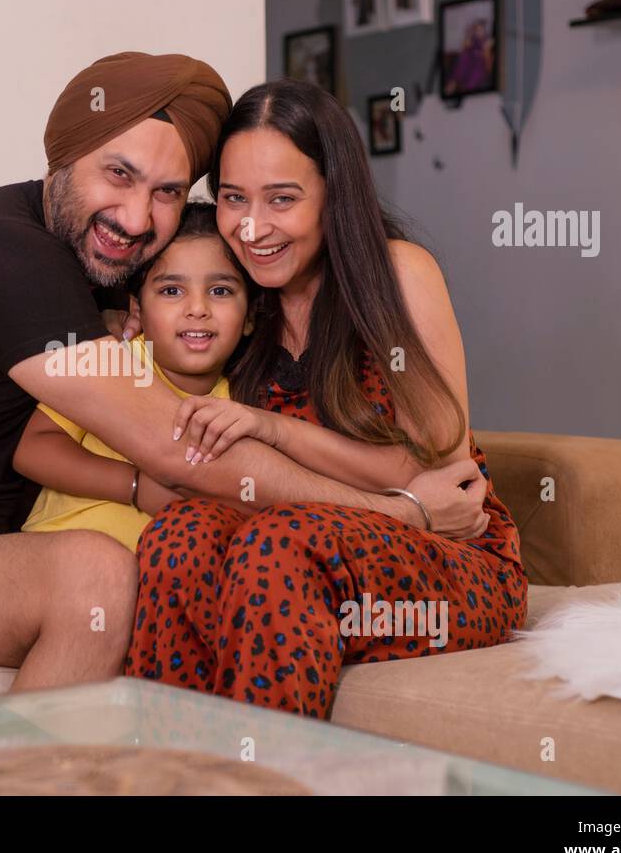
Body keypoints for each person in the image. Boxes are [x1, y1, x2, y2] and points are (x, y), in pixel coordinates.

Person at [0, 52, 484, 761]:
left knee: (104, 577)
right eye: (119, 175)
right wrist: (401, 513)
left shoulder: (108, 289)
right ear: (61, 156)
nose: (138, 219)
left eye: (169, 193)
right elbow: (178, 445)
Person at [122, 78, 527, 718]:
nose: (253, 227)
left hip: (451, 560)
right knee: (181, 536)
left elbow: (439, 469)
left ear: (333, 197)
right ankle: (175, 775)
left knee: (277, 542)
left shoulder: (398, 274)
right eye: (233, 199)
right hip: (304, 560)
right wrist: (124, 320)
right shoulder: (239, 296)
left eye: (282, 199)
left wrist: (271, 427)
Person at [16, 202, 249, 551]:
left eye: (220, 291)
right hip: (62, 559)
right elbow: (33, 449)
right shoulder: (113, 362)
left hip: (162, 586)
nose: (198, 308)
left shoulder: (242, 406)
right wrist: (136, 487)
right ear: (137, 309)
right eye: (172, 290)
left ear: (250, 318)